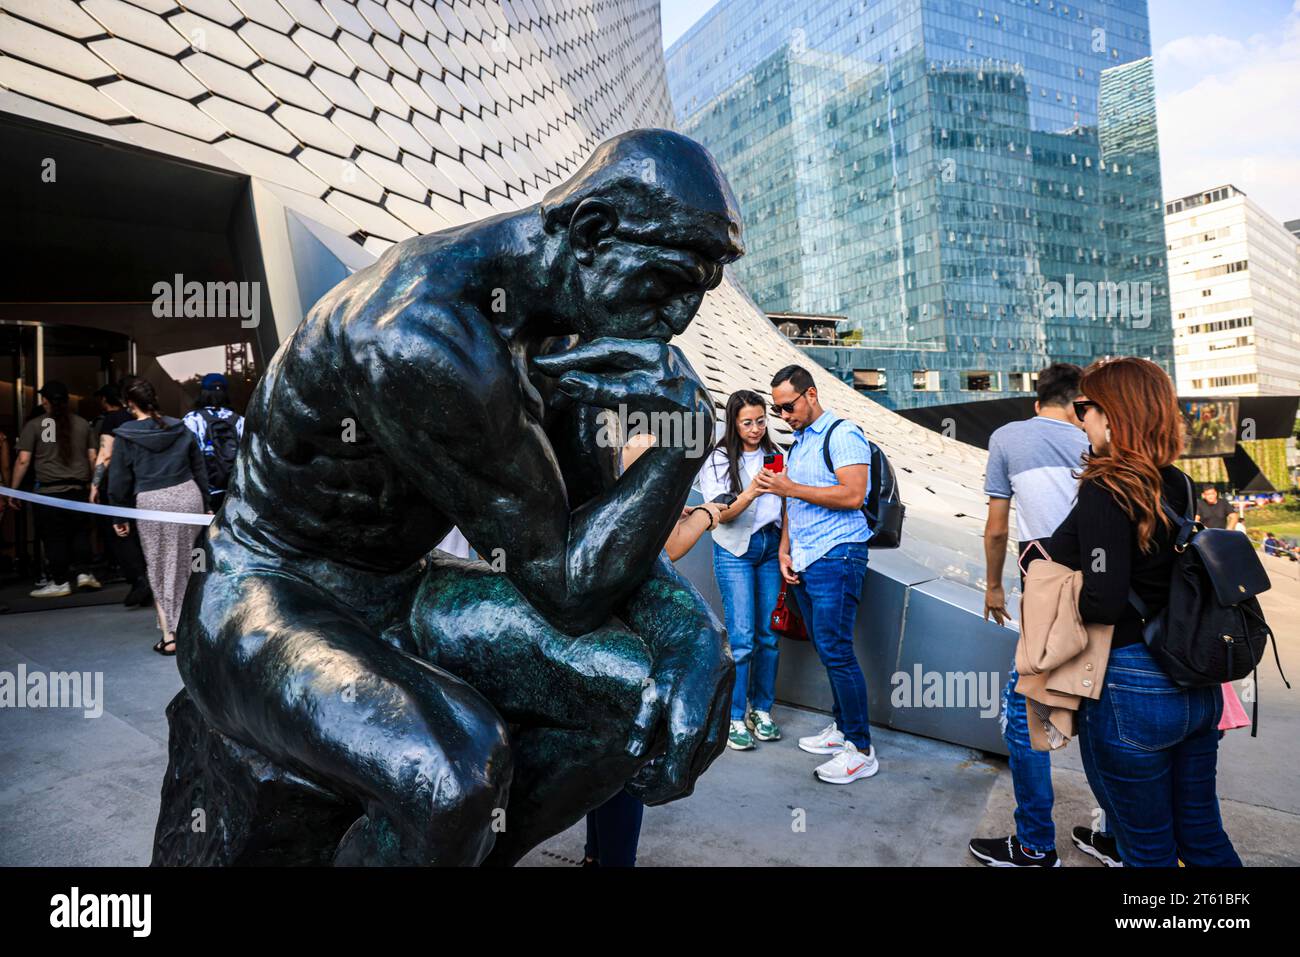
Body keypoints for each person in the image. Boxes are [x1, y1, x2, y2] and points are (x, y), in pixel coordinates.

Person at [173, 129, 741, 867]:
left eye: (697, 293)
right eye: (668, 284)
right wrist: (683, 441)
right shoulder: (422, 333)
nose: (677, 323)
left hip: (398, 590)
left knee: (628, 702)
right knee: (448, 776)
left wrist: (695, 634)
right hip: (263, 593)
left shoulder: (569, 330)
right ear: (592, 232)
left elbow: (595, 545)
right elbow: (568, 586)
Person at [1031, 356, 1240, 867]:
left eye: (1087, 406)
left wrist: (1051, 588)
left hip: (1132, 684)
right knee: (1203, 836)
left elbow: (1103, 598)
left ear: (1114, 414)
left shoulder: (1107, 488)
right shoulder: (1179, 484)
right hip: (1194, 680)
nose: (1081, 418)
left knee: (1146, 850)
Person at [971, 362, 1119, 868]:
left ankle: (1034, 844)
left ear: (1038, 401)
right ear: (1082, 403)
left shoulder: (1010, 437)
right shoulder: (1101, 442)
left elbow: (995, 528)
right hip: (1110, 593)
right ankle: (1119, 837)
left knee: (1027, 715)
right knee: (1099, 714)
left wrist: (993, 587)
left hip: (1050, 597)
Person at [582, 432, 724, 867]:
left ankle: (595, 855)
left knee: (597, 756)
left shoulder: (599, 458)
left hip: (594, 633)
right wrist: (705, 515)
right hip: (626, 636)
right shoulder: (644, 447)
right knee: (627, 760)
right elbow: (666, 549)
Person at [756, 364, 877, 785]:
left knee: (837, 651)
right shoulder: (801, 441)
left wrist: (790, 489)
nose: (783, 415)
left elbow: (853, 494)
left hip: (837, 556)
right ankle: (842, 729)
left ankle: (860, 748)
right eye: (777, 410)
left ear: (810, 394)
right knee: (829, 650)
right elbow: (795, 505)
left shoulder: (842, 434)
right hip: (807, 558)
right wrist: (785, 550)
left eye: (788, 406)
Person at [697, 389, 784, 750]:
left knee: (768, 635)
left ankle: (761, 709)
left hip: (769, 547)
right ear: (733, 423)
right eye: (747, 422)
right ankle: (733, 717)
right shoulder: (718, 460)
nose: (755, 428)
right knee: (742, 637)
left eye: (761, 420)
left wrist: (785, 550)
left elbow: (789, 506)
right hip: (735, 551)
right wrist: (751, 491)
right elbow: (717, 516)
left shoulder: (777, 454)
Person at [108, 379, 210, 656]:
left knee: (160, 567)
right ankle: (191, 629)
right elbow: (199, 469)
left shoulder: (126, 435)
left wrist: (118, 514)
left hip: (152, 502)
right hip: (188, 497)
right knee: (186, 564)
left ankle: (170, 636)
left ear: (130, 404)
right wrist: (207, 504)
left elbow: (118, 479)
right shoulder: (180, 427)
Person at [7, 381, 100, 598]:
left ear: (45, 401)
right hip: (78, 490)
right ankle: (85, 573)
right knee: (80, 533)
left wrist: (13, 490)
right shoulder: (82, 424)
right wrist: (95, 486)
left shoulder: (35, 425)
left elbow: (23, 460)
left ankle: (60, 581)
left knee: (54, 538)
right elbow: (93, 457)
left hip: (49, 494)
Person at [89, 383, 152, 608]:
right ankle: (152, 580)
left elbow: (105, 455)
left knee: (123, 534)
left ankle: (139, 581)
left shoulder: (112, 420)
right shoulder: (155, 419)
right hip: (147, 483)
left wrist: (95, 485)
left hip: (123, 485)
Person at [182, 372, 245, 513]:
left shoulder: (192, 419)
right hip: (233, 493)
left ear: (203, 393)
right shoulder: (239, 421)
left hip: (204, 493)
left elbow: (185, 456)